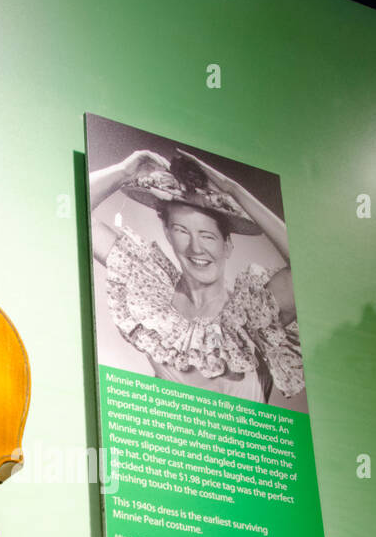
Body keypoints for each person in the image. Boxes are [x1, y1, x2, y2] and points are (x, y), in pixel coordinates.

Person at [89, 146, 304, 403]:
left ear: (227, 244)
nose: (195, 248)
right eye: (181, 230)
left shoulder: (252, 312)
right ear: (168, 234)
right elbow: (74, 209)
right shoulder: (152, 293)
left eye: (207, 235)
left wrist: (234, 190)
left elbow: (308, 270)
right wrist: (124, 171)